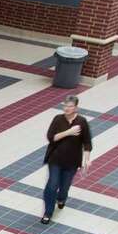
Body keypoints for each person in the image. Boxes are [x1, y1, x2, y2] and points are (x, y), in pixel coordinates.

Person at [41, 95, 91, 224]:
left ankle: (62, 198)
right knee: (52, 186)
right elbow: (51, 137)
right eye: (65, 106)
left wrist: (87, 159)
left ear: (76, 108)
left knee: (64, 187)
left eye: (70, 106)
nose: (67, 108)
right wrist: (69, 132)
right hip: (55, 159)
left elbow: (87, 142)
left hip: (72, 162)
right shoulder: (58, 119)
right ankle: (48, 212)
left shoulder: (82, 121)